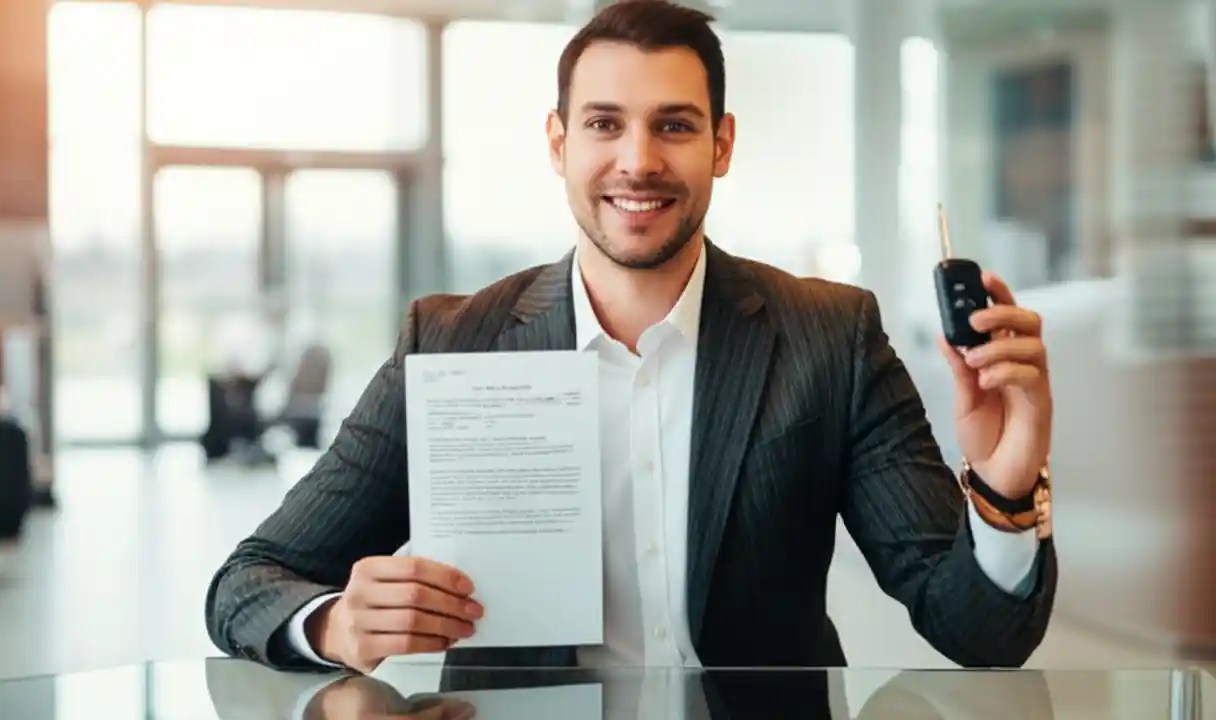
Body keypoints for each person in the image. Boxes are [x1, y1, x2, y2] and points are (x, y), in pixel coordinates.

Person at [206, 0, 1056, 676]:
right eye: (605, 124)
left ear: (721, 145)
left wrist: (1007, 485)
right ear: (558, 142)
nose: (638, 160)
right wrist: (333, 623)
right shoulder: (451, 341)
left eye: (675, 126)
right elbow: (250, 580)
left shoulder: (829, 336)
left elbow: (978, 634)